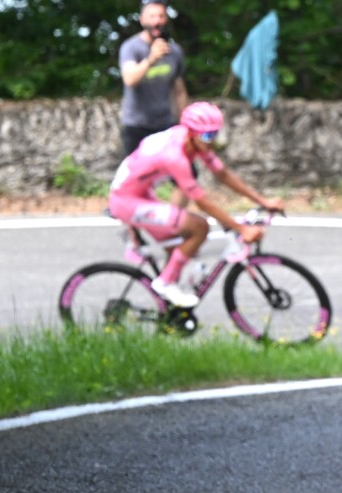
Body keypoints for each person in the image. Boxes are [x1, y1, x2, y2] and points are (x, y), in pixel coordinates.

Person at [107, 102, 285, 308]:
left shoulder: (192, 140)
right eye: (208, 136)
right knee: (199, 227)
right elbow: (201, 202)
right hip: (127, 202)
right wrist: (241, 228)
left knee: (177, 249)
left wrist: (263, 201)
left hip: (141, 194)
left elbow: (223, 174)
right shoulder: (175, 156)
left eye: (215, 134)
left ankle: (169, 313)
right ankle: (165, 283)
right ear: (192, 133)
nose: (212, 141)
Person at [119, 0, 189, 157]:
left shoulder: (175, 51)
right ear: (142, 20)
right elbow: (130, 79)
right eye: (152, 16)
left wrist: (185, 124)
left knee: (185, 172)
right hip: (136, 126)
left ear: (166, 20)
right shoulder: (131, 48)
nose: (156, 21)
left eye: (161, 16)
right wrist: (151, 59)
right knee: (135, 178)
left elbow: (179, 92)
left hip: (166, 124)